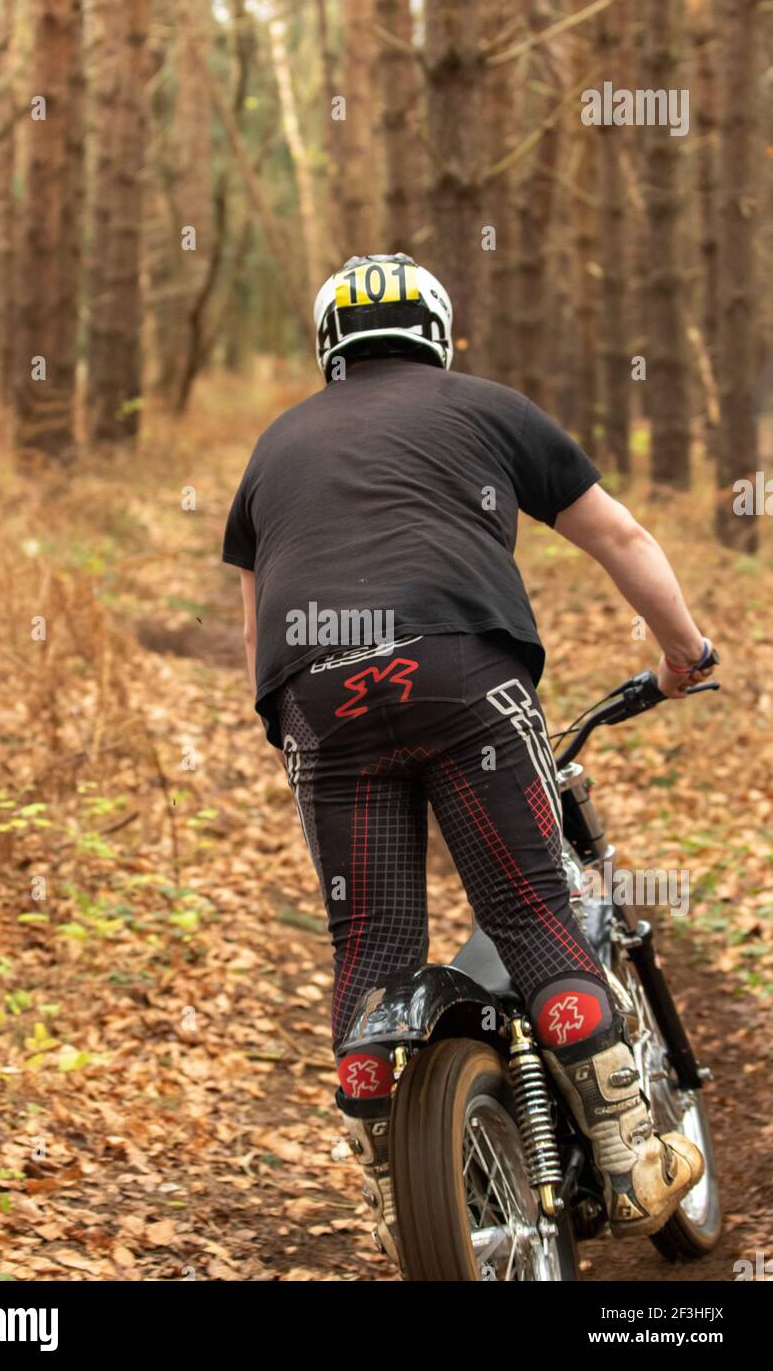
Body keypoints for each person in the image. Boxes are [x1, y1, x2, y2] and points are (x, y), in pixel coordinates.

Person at [222, 253, 716, 1262]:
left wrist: (306, 727)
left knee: (369, 949)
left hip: (317, 698)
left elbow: (254, 631)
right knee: (531, 915)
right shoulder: (488, 405)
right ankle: (629, 1152)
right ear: (438, 332)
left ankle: (393, 1172)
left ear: (330, 350)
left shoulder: (275, 445)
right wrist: (680, 652)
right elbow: (616, 536)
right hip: (459, 676)